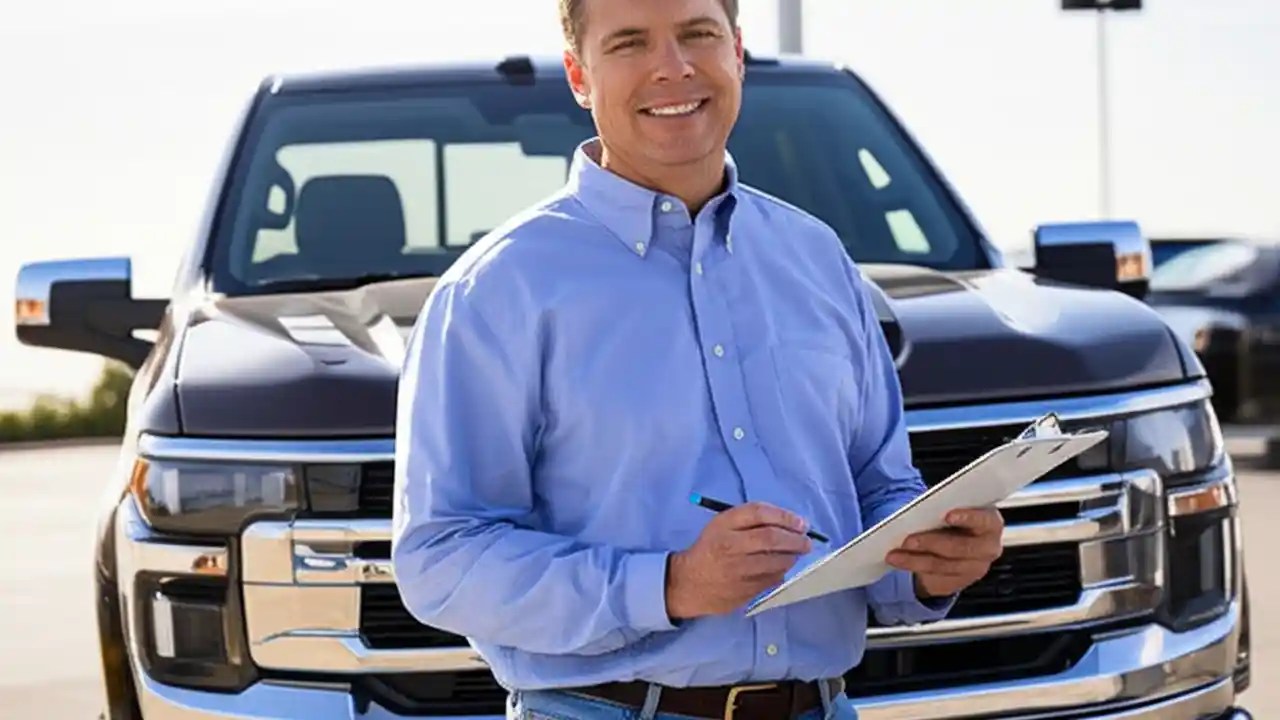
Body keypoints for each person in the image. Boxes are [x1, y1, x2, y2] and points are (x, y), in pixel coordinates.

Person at [390, 0, 1005, 718]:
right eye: (629, 43)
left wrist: (931, 564)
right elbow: (442, 559)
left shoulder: (819, 260)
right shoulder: (495, 292)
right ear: (578, 76)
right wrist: (670, 584)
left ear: (737, 52)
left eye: (697, 34)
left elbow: (877, 490)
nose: (673, 67)